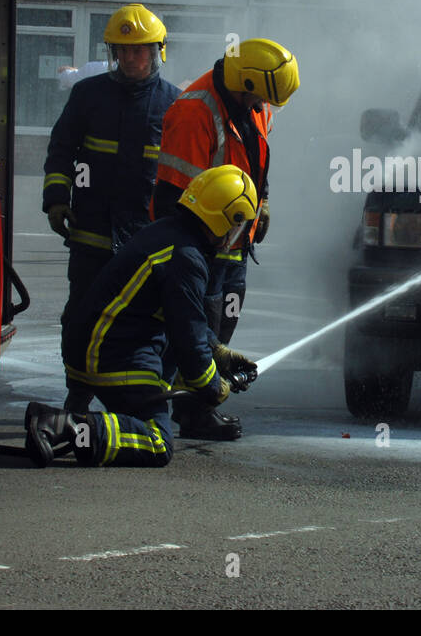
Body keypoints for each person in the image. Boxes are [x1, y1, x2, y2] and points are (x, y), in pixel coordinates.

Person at [25, 165, 262, 468]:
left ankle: (66, 423)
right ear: (229, 219)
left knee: (170, 354)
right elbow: (187, 337)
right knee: (158, 441)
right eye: (239, 226)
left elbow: (186, 318)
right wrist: (213, 386)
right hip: (111, 357)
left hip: (93, 349)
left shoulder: (169, 234)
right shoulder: (187, 259)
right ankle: (70, 426)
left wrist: (219, 353)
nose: (236, 235)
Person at [42, 4, 179, 387]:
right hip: (92, 235)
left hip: (147, 239)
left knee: (149, 320)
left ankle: (145, 397)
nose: (130, 57)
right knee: (81, 317)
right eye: (122, 50)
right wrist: (56, 197)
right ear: (113, 53)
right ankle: (80, 393)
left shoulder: (175, 105)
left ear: (157, 52)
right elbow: (61, 149)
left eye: (139, 50)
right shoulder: (88, 95)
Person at [152, 39, 299, 346]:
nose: (263, 104)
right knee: (194, 340)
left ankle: (204, 384)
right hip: (198, 253)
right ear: (245, 83)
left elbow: (257, 155)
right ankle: (191, 391)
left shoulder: (256, 103)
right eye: (260, 97)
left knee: (220, 333)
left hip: (234, 246)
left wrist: (264, 198)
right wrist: (190, 263)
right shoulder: (194, 113)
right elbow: (172, 198)